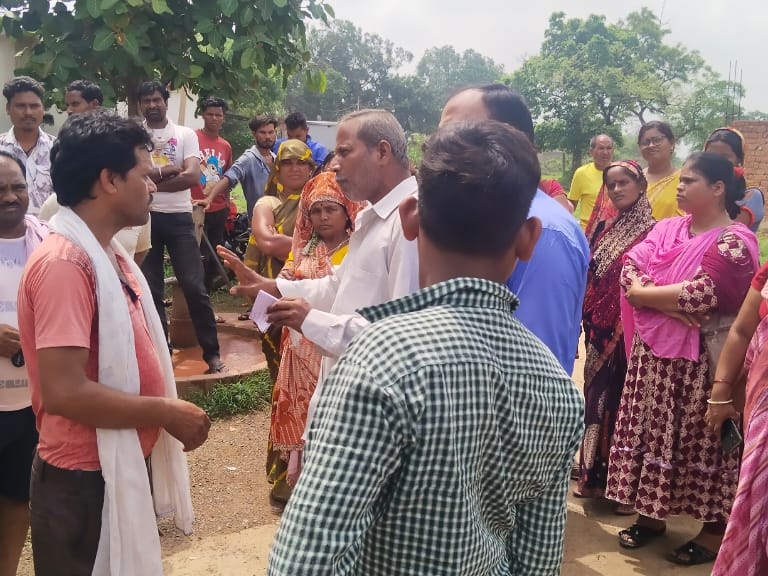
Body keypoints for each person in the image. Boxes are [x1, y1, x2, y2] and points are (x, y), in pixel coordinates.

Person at [266, 120, 584, 576]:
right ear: (529, 237)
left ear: (411, 218)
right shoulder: (557, 389)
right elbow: (536, 561)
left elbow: (304, 559)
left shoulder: (380, 361)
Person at [17, 110, 210, 575]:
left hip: (111, 460)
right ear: (108, 180)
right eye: (144, 174)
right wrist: (164, 411)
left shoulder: (105, 252)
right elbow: (64, 392)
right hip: (82, 475)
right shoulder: (67, 263)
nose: (152, 185)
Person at [218, 108, 419, 435]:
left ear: (382, 151)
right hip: (348, 393)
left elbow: (396, 338)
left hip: (375, 413)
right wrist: (272, 287)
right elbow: (338, 285)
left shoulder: (408, 220)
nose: (334, 164)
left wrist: (308, 319)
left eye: (344, 152)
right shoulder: (375, 218)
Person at [607, 152, 758, 565]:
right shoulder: (669, 228)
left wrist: (642, 296)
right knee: (651, 433)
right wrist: (663, 301)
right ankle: (650, 517)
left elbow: (705, 294)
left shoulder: (736, 242)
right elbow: (630, 266)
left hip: (700, 365)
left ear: (718, 188)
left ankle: (711, 534)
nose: (678, 186)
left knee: (702, 444)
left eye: (688, 180)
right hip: (653, 359)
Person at [439, 84, 589, 374]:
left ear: (508, 138)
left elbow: (538, 366)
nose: (440, 146)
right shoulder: (479, 216)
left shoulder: (546, 231)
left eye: (455, 133)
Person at [269, 171, 363, 503]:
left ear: (347, 211)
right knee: (297, 416)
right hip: (297, 350)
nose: (323, 217)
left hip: (331, 347)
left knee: (323, 418)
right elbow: (283, 279)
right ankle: (290, 486)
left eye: (331, 209)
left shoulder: (356, 251)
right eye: (316, 211)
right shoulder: (304, 249)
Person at [574, 160, 655, 501]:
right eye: (612, 184)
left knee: (626, 406)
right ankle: (593, 476)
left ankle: (623, 489)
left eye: (625, 182)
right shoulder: (605, 227)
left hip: (631, 336)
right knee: (597, 401)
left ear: (641, 185)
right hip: (598, 331)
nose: (618, 189)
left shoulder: (655, 231)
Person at [137, 80, 225, 374]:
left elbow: (191, 177)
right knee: (151, 290)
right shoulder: (134, 136)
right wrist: (164, 172)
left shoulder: (185, 134)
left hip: (179, 218)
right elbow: (135, 174)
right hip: (145, 219)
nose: (152, 105)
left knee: (194, 286)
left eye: (156, 99)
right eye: (146, 101)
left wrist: (152, 180)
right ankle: (163, 353)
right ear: (141, 105)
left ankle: (212, 354)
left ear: (165, 101)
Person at [0, 151, 47, 576]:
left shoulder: (48, 242)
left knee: (18, 497)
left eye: (17, 186)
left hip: (30, 403)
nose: (11, 197)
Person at [190, 96, 233, 291]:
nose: (214, 118)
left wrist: (227, 205)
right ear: (202, 115)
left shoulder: (225, 146)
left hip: (219, 207)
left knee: (215, 248)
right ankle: (196, 288)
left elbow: (227, 177)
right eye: (210, 114)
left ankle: (207, 287)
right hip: (196, 204)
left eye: (218, 115)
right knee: (197, 251)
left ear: (223, 118)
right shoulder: (192, 138)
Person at [0, 76, 54, 215]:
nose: (28, 112)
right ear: (8, 109)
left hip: (49, 232)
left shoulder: (59, 150)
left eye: (34, 106)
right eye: (21, 106)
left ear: (43, 108)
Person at [210, 115, 276, 219]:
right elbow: (229, 177)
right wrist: (209, 198)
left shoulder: (277, 159)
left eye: (271, 132)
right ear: (254, 134)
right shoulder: (249, 159)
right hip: (259, 222)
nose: (268, 136)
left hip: (280, 220)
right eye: (263, 132)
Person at [705, 126, 764, 232]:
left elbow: (723, 234)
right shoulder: (698, 188)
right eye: (711, 155)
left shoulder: (751, 196)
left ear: (739, 160)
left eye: (725, 156)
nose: (717, 161)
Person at [568, 134, 614, 230]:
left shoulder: (621, 172)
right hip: (587, 232)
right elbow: (571, 205)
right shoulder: (581, 173)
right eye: (601, 148)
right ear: (591, 151)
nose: (605, 152)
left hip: (613, 232)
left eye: (608, 148)